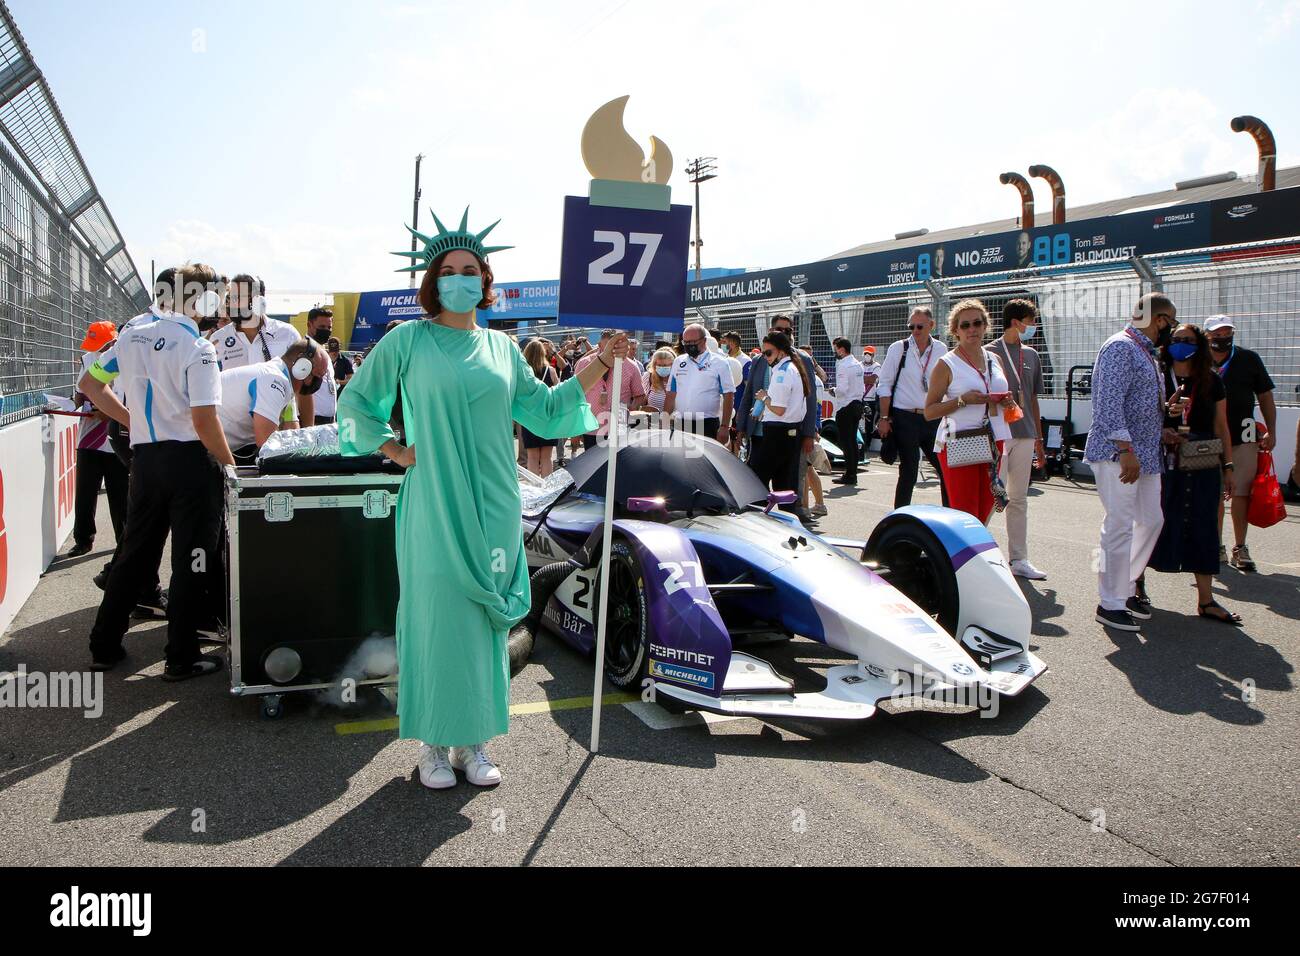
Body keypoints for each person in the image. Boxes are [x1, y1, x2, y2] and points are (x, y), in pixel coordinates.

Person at [337, 209, 624, 790]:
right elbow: (356, 403)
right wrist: (396, 451)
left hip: (495, 504)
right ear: (433, 281)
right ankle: (434, 746)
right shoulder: (406, 341)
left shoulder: (502, 348)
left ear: (485, 281)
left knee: (484, 624)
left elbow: (543, 409)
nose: (462, 278)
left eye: (472, 270)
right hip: (434, 504)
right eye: (450, 270)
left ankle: (475, 743)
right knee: (437, 619)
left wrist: (601, 362)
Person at [78, 262, 235, 679]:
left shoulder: (129, 334)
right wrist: (230, 465)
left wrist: (133, 422)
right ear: (199, 297)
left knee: (134, 555)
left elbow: (90, 385)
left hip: (144, 461)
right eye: (213, 295)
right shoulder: (198, 347)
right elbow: (204, 420)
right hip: (190, 465)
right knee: (194, 559)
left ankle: (104, 645)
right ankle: (181, 657)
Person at [1084, 292, 1175, 632]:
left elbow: (1137, 402)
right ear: (1160, 320)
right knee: (1119, 524)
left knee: (1151, 520)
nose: (1173, 330)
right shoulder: (1121, 347)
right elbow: (1108, 404)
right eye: (1172, 322)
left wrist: (1164, 418)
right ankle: (1110, 602)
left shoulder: (1145, 352)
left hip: (1147, 454)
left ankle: (1126, 585)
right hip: (1119, 454)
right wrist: (1125, 450)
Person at [1145, 323, 1241, 624]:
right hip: (1162, 459)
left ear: (1200, 344)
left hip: (1202, 461)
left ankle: (1206, 600)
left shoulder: (1210, 379)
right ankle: (1135, 587)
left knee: (1204, 526)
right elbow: (1142, 415)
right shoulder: (1157, 375)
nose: (1181, 344)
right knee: (1152, 523)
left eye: (1188, 340)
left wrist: (1228, 467)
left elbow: (1221, 426)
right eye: (1176, 340)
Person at [924, 300, 1014, 523]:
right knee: (966, 514)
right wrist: (963, 400)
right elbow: (930, 411)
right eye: (965, 325)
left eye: (977, 323)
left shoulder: (995, 359)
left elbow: (1000, 392)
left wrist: (1007, 401)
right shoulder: (947, 364)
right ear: (955, 330)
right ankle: (961, 557)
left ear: (985, 326)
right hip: (958, 439)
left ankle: (976, 556)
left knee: (985, 510)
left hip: (994, 439)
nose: (972, 329)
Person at [1206, 315, 1277, 573]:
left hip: (1244, 437)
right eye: (1217, 334)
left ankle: (1240, 546)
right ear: (1207, 336)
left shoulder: (1248, 359)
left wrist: (1271, 430)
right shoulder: (1197, 362)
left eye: (1227, 333)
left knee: (1242, 493)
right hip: (1208, 438)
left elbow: (1265, 394)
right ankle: (1216, 545)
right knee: (1213, 494)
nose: (1223, 338)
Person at [735, 314, 820, 521]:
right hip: (761, 429)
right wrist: (741, 427)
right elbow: (748, 394)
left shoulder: (795, 363)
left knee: (776, 479)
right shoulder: (761, 361)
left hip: (780, 430)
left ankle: (768, 520)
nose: (784, 334)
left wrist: (809, 432)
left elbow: (808, 400)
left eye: (788, 331)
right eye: (779, 330)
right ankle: (771, 519)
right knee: (767, 480)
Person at [987, 299, 1048, 580]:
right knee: (990, 497)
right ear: (1017, 322)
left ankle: (1019, 559)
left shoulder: (1032, 355)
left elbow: (1033, 399)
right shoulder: (989, 352)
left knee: (1019, 498)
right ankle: (976, 555)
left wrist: (1038, 438)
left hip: (1024, 434)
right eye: (1031, 320)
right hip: (998, 435)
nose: (1033, 326)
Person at [877, 306, 950, 508]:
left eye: (920, 326)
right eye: (912, 326)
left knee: (944, 468)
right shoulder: (898, 348)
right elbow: (884, 384)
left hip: (932, 417)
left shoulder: (941, 349)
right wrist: (884, 418)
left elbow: (947, 383)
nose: (915, 330)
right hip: (905, 417)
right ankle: (900, 516)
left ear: (931, 326)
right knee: (909, 469)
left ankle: (950, 513)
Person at [67, 322, 129, 560]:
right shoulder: (87, 358)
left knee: (119, 493)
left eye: (102, 344)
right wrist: (78, 402)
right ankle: (83, 540)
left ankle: (123, 540)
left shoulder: (124, 357)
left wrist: (107, 411)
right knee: (85, 492)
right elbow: (80, 392)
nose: (99, 350)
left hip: (117, 437)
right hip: (89, 438)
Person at [217, 341, 326, 462]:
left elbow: (292, 431)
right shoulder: (274, 379)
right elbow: (267, 445)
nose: (318, 381)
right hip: (199, 444)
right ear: (302, 366)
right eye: (318, 374)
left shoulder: (281, 380)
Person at [749, 330, 812, 505]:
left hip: (778, 432)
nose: (765, 357)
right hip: (789, 432)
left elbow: (779, 409)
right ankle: (786, 517)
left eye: (768, 353)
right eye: (763, 353)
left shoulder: (782, 372)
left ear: (781, 352)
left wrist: (764, 398)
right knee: (783, 481)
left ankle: (757, 518)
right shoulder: (794, 367)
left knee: (757, 477)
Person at [209, 275, 300, 369]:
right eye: (230, 298)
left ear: (257, 301)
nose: (232, 304)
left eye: (237, 298)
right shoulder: (218, 338)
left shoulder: (288, 334)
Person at [575, 329, 646, 450]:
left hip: (619, 428)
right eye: (606, 348)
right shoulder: (584, 364)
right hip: (591, 428)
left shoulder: (631, 367)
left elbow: (640, 395)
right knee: (593, 466)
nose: (610, 352)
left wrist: (629, 410)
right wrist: (576, 429)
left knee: (617, 466)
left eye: (614, 348)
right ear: (599, 345)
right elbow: (576, 396)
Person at [665, 323, 732, 444]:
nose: (689, 345)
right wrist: (664, 420)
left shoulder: (720, 362)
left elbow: (728, 395)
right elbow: (671, 393)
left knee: (703, 461)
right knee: (681, 461)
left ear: (704, 340)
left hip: (707, 424)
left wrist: (724, 427)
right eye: (686, 343)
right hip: (681, 423)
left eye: (693, 342)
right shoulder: (678, 361)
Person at [520, 338, 561, 477]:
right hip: (547, 417)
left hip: (529, 418)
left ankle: (535, 487)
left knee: (532, 456)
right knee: (546, 457)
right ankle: (547, 487)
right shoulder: (551, 371)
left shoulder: (524, 373)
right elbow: (557, 392)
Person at [831, 336, 866, 486]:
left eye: (835, 348)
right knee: (851, 440)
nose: (835, 352)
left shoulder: (844, 365)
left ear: (842, 349)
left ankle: (850, 474)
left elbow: (843, 389)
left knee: (846, 441)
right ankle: (852, 472)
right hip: (857, 404)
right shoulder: (858, 364)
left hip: (846, 405)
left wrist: (833, 390)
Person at [641, 346, 676, 414]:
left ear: (673, 365)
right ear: (654, 365)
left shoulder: (679, 380)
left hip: (673, 422)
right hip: (653, 421)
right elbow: (642, 400)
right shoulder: (648, 377)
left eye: (665, 365)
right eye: (659, 365)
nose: (662, 368)